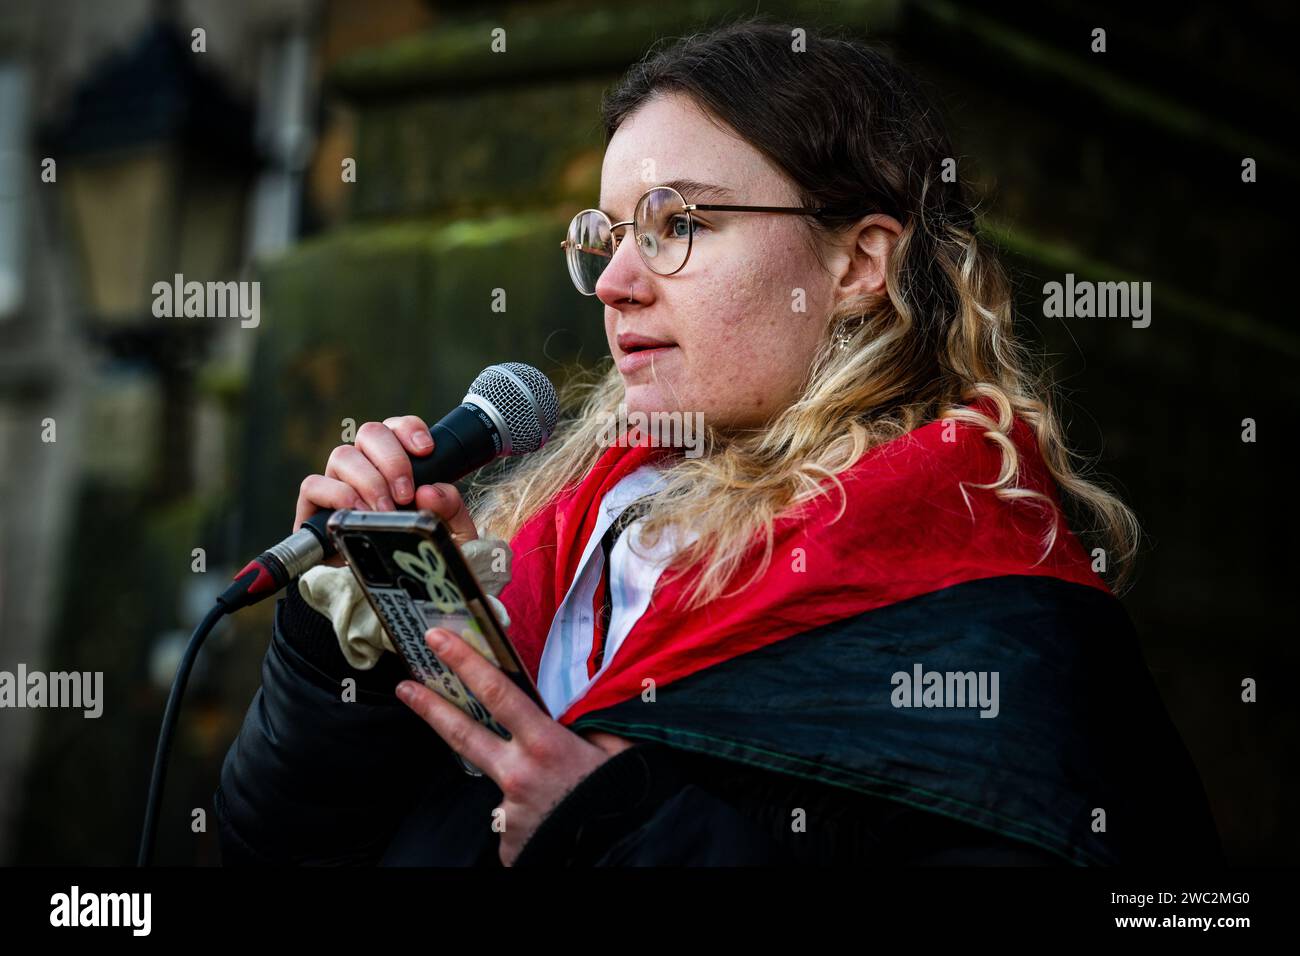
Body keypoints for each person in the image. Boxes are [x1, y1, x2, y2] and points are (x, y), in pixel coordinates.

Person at [214, 20, 1222, 866]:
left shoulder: (987, 604)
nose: (615, 283)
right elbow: (277, 851)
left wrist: (629, 840)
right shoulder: (543, 544)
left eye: (677, 222)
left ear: (858, 260)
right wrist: (335, 652)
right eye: (606, 238)